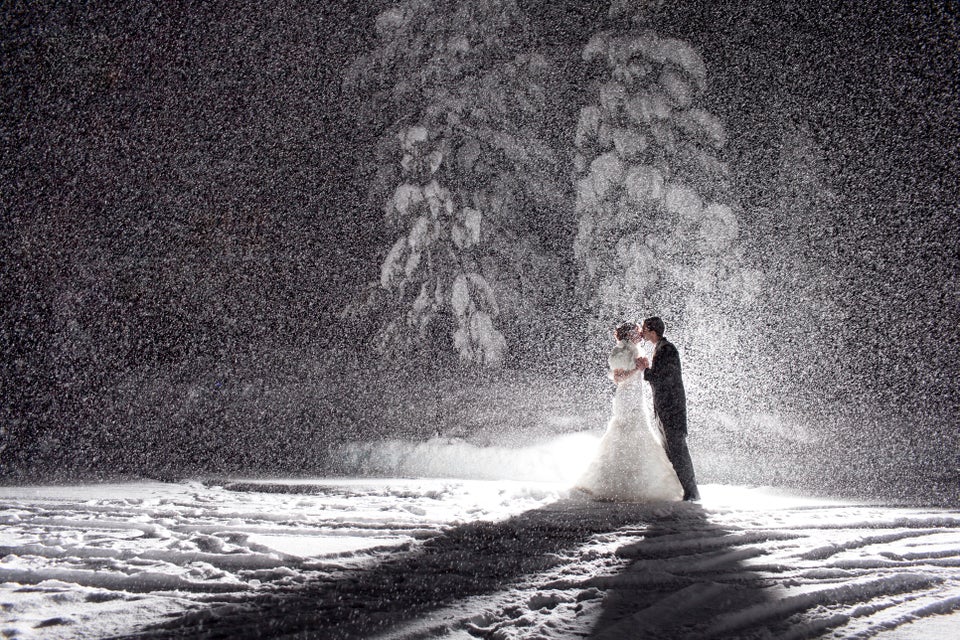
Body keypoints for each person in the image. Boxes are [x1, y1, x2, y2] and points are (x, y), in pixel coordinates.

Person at [575, 322, 683, 502]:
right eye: (636, 330)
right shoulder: (621, 350)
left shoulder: (636, 349)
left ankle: (642, 484)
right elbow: (617, 378)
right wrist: (637, 369)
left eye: (640, 330)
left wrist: (645, 368)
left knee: (640, 433)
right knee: (624, 432)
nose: (640, 332)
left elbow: (643, 373)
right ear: (628, 334)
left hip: (637, 397)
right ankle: (614, 483)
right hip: (626, 398)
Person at [636, 316, 700, 501]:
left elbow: (664, 379)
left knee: (678, 452)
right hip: (664, 410)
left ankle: (691, 493)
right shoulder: (661, 348)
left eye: (644, 330)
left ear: (652, 332)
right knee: (671, 452)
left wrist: (645, 370)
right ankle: (684, 492)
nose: (642, 332)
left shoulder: (667, 349)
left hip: (672, 410)